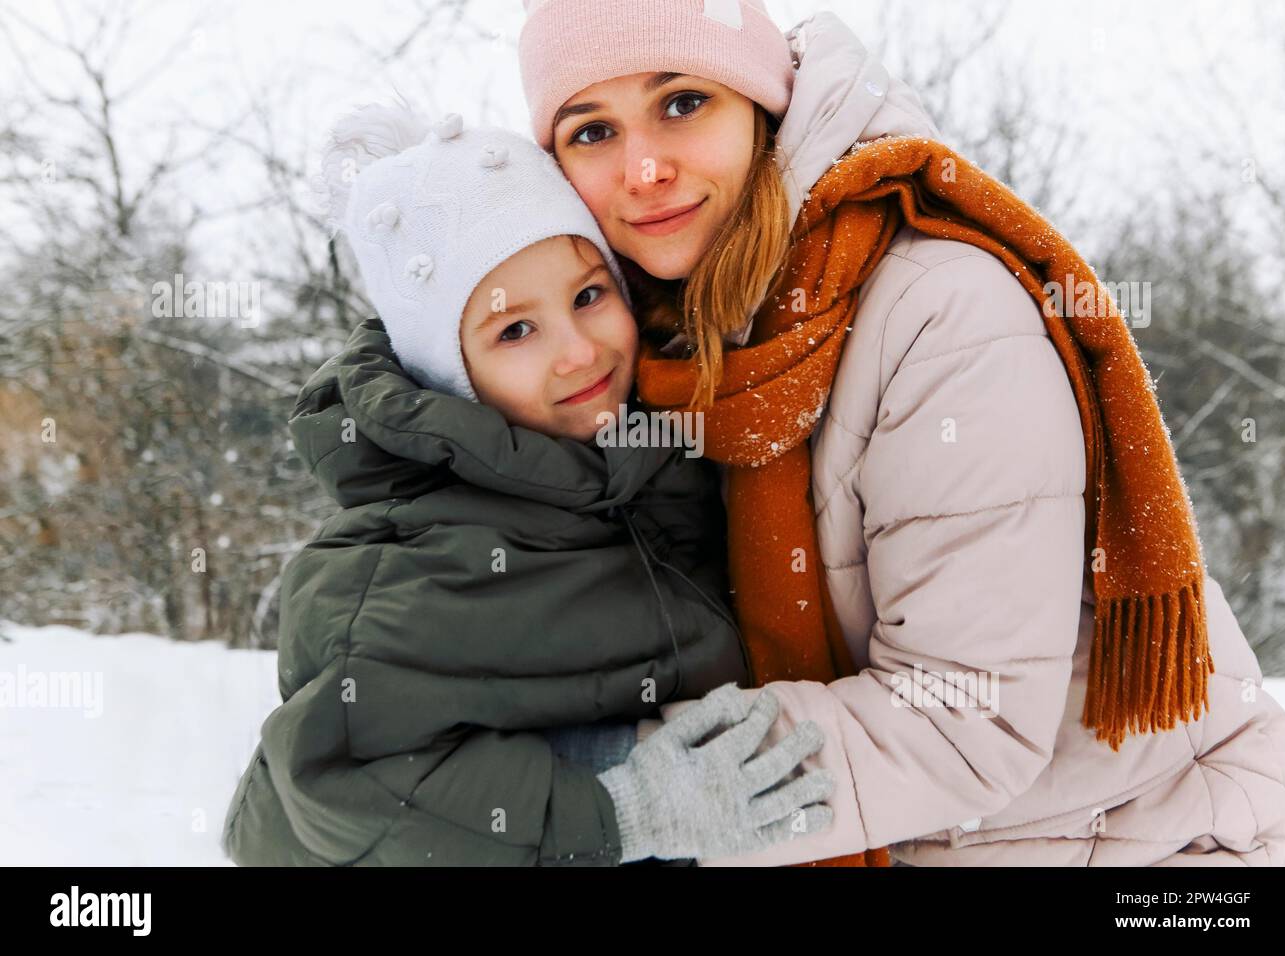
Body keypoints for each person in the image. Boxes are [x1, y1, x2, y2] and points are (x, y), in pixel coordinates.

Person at [515, 0, 1285, 866]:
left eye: (682, 102)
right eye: (590, 130)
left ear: (763, 107)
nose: (645, 167)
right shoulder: (638, 342)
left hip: (1156, 848)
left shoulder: (937, 312)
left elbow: (967, 717)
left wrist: (606, 780)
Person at [220, 102, 835, 866]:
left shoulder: (663, 462)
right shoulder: (408, 565)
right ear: (448, 369)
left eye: (588, 296)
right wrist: (616, 811)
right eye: (514, 330)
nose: (579, 352)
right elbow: (339, 783)